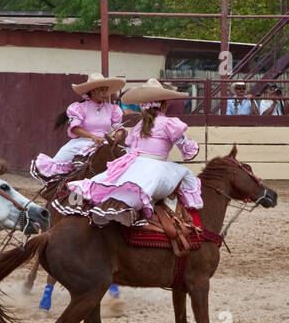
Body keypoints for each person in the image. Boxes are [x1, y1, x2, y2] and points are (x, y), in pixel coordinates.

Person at [60, 80, 202, 227]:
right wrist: (192, 146)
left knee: (114, 183)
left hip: (135, 163)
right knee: (185, 175)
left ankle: (95, 202)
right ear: (164, 104)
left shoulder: (139, 126)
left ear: (143, 105)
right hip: (156, 167)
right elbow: (189, 151)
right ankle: (183, 214)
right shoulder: (170, 124)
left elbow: (130, 147)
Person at [31, 72, 126, 184]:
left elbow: (118, 126)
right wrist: (92, 136)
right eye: (101, 90)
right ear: (93, 91)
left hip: (104, 143)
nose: (105, 93)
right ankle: (57, 187)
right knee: (57, 162)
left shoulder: (112, 109)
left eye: (105, 89)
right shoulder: (80, 108)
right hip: (83, 142)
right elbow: (75, 128)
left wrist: (119, 133)